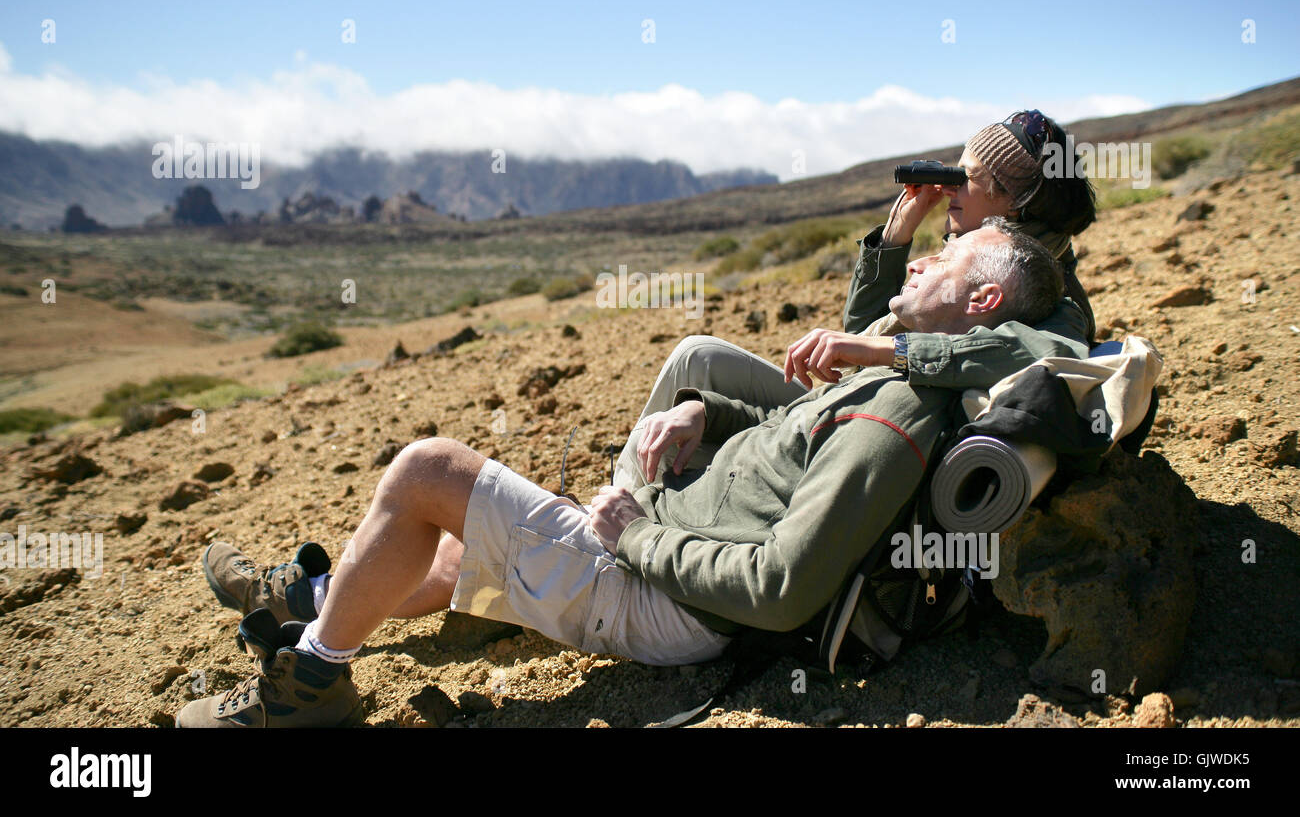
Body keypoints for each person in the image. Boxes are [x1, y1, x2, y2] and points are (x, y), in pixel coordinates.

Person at [178, 219, 1065, 728]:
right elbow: (788, 441)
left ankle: (309, 690)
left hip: (664, 599)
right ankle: (315, 602)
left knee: (425, 472)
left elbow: (784, 588)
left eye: (942, 259)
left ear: (981, 301)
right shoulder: (898, 373)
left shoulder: (895, 414)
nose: (919, 259)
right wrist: (704, 413)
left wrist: (632, 534)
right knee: (461, 541)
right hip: (657, 544)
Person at [611, 110, 1096, 494]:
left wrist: (893, 352)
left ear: (1012, 202)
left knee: (699, 360)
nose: (948, 186)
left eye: (966, 177)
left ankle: (620, 524)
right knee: (700, 360)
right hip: (861, 399)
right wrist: (893, 241)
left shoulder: (1046, 287)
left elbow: (1050, 355)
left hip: (883, 433)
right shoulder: (986, 250)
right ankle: (627, 500)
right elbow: (859, 337)